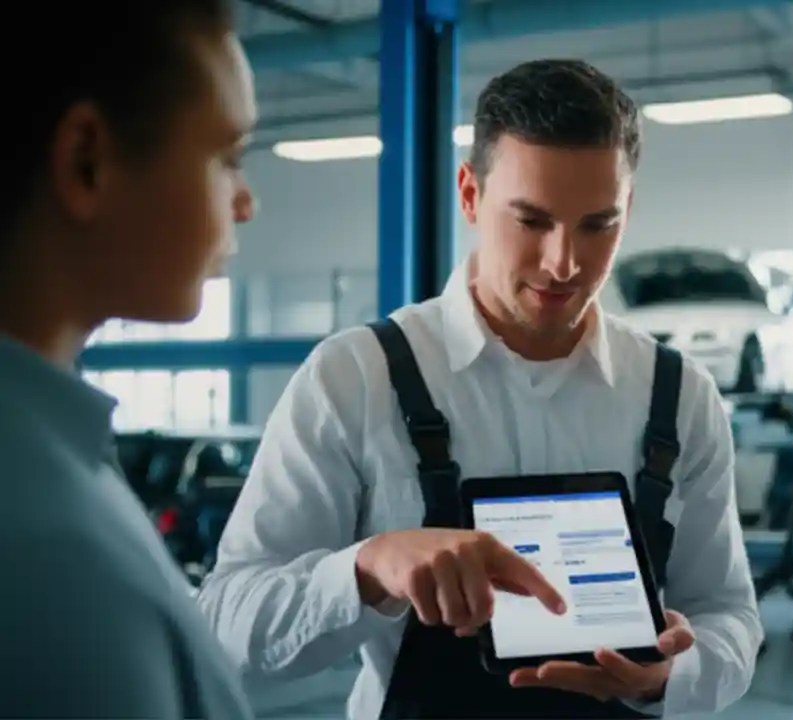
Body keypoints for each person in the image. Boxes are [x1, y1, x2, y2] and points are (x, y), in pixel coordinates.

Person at [198, 58, 763, 719]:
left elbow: (729, 615)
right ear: (469, 194)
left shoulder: (679, 395)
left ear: (628, 209)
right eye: (531, 221)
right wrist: (370, 568)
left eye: (597, 224)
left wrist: (669, 674)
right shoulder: (355, 378)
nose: (563, 263)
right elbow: (227, 625)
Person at [0, 1, 258, 717]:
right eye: (226, 156)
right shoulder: (52, 562)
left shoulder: (54, 462)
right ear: (88, 160)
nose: (245, 203)